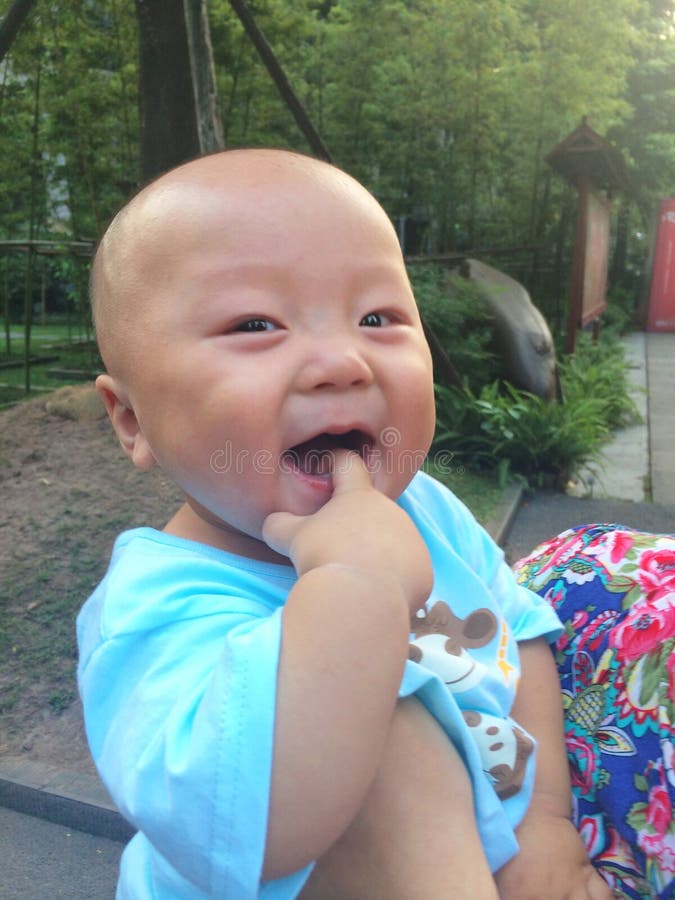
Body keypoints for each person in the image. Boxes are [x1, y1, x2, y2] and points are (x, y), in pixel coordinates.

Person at [77, 148, 612, 900]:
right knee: (383, 728)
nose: (342, 361)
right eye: (255, 323)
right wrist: (353, 586)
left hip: (500, 845)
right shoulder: (157, 613)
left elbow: (518, 637)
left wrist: (546, 825)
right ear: (132, 420)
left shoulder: (426, 509)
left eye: (377, 317)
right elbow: (261, 830)